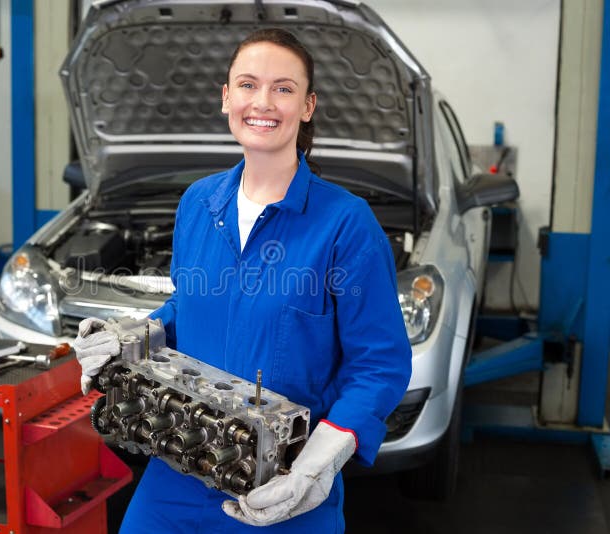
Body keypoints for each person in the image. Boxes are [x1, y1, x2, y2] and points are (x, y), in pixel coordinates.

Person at [73, 28, 412, 533]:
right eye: (248, 85)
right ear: (226, 97)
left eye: (283, 88)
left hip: (283, 487)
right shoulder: (198, 203)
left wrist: (316, 467)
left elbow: (379, 364)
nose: (263, 102)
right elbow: (186, 310)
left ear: (308, 105)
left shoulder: (345, 224)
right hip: (182, 464)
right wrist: (131, 339)